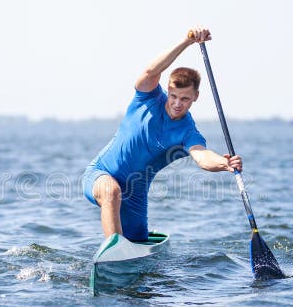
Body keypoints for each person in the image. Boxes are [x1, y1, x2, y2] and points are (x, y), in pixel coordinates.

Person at [82, 26, 243, 241]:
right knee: (111, 191)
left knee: (138, 241)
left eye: (184, 99)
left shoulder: (188, 132)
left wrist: (226, 164)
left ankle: (124, 254)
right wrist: (187, 42)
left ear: (196, 96)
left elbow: (202, 157)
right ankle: (113, 255)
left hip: (135, 196)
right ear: (167, 89)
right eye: (173, 96)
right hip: (101, 173)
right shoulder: (147, 97)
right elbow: (151, 71)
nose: (177, 104)